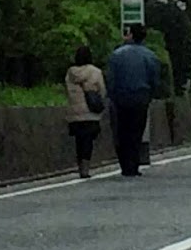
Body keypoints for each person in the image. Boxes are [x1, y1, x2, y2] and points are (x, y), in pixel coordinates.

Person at [106, 23, 161, 177]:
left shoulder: (117, 55)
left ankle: (125, 165)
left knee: (122, 131)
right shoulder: (150, 56)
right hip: (141, 97)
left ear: (130, 35)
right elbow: (154, 80)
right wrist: (150, 95)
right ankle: (134, 164)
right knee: (136, 131)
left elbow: (111, 79)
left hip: (121, 97)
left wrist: (112, 96)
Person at [64, 45, 108, 178]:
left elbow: (67, 92)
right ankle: (85, 168)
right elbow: (102, 91)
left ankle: (80, 167)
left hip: (75, 113)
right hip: (90, 113)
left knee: (79, 141)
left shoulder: (70, 73)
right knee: (88, 141)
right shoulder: (95, 72)